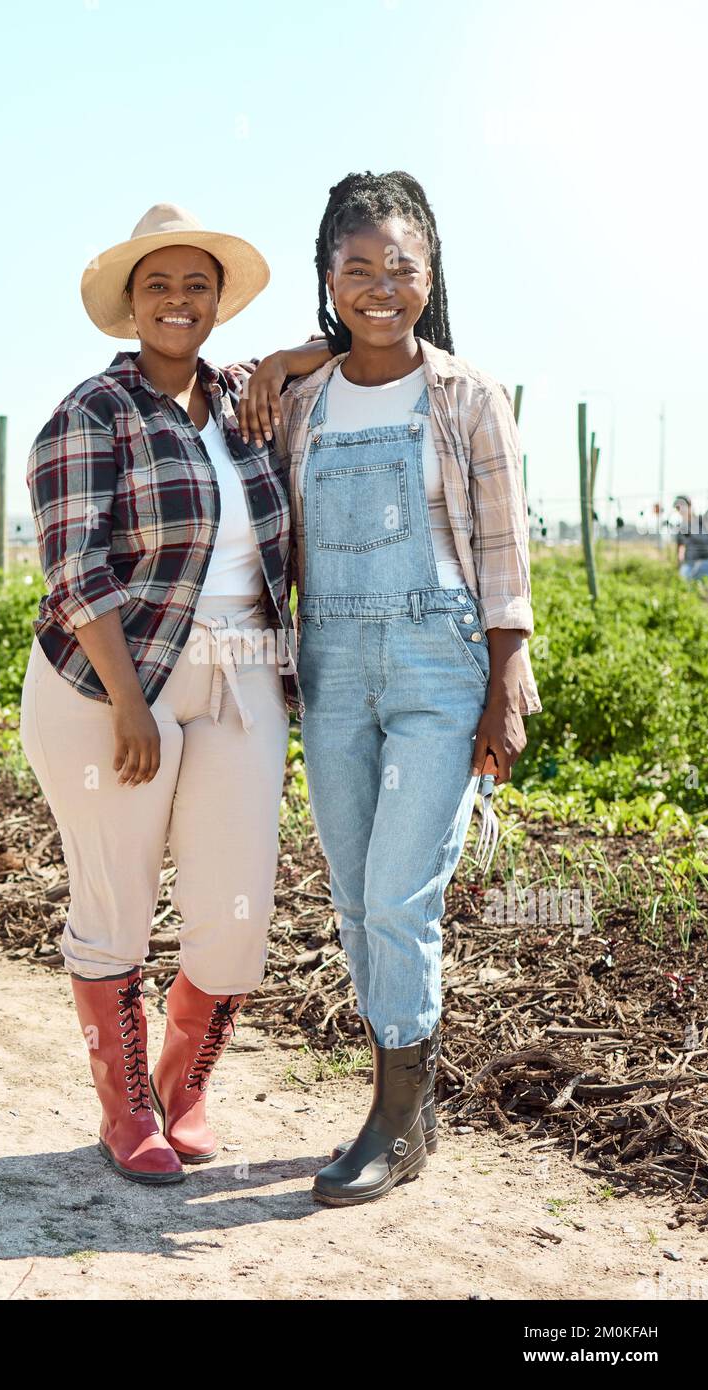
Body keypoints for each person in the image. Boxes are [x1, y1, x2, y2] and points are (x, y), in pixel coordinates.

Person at [242, 171, 542, 1206]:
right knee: (350, 891)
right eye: (356, 267)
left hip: (437, 661)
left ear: (430, 275)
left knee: (397, 892)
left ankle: (394, 1120)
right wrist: (286, 355)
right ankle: (403, 1105)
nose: (380, 286)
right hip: (328, 665)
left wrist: (507, 680)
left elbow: (502, 552)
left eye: (400, 267)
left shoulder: (466, 396)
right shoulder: (298, 399)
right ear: (327, 276)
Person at [21, 204, 327, 1184]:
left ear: (216, 302)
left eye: (196, 284)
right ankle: (125, 1113)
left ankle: (182, 1086)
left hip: (241, 676)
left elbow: (361, 333)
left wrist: (288, 355)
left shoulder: (241, 398)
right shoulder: (90, 414)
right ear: (128, 306)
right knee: (114, 897)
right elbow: (77, 572)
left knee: (235, 915)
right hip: (111, 678)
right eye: (158, 285)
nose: (178, 301)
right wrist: (125, 703)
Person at [673, 495, 708, 580]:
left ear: (689, 505)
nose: (681, 510)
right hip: (690, 565)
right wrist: (680, 565)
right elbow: (680, 549)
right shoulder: (681, 528)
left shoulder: (702, 522)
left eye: (683, 506)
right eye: (678, 508)